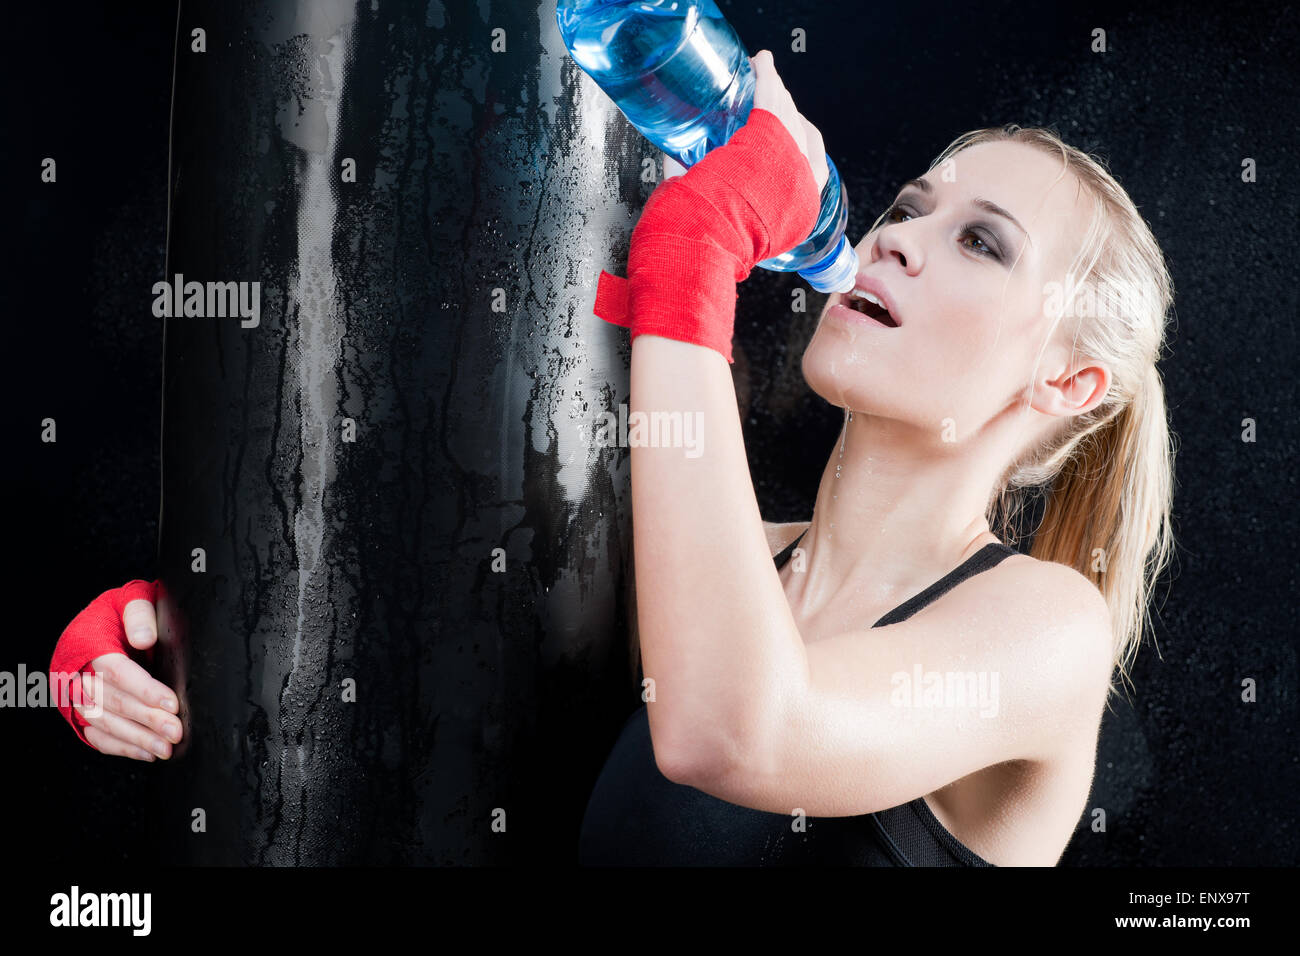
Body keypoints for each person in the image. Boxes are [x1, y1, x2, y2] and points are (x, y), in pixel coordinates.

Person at [580, 50, 1176, 866]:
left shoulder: (1051, 632)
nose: (895, 240)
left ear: (1068, 381)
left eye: (980, 241)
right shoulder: (716, 564)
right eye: (905, 208)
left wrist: (695, 246)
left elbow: (736, 734)